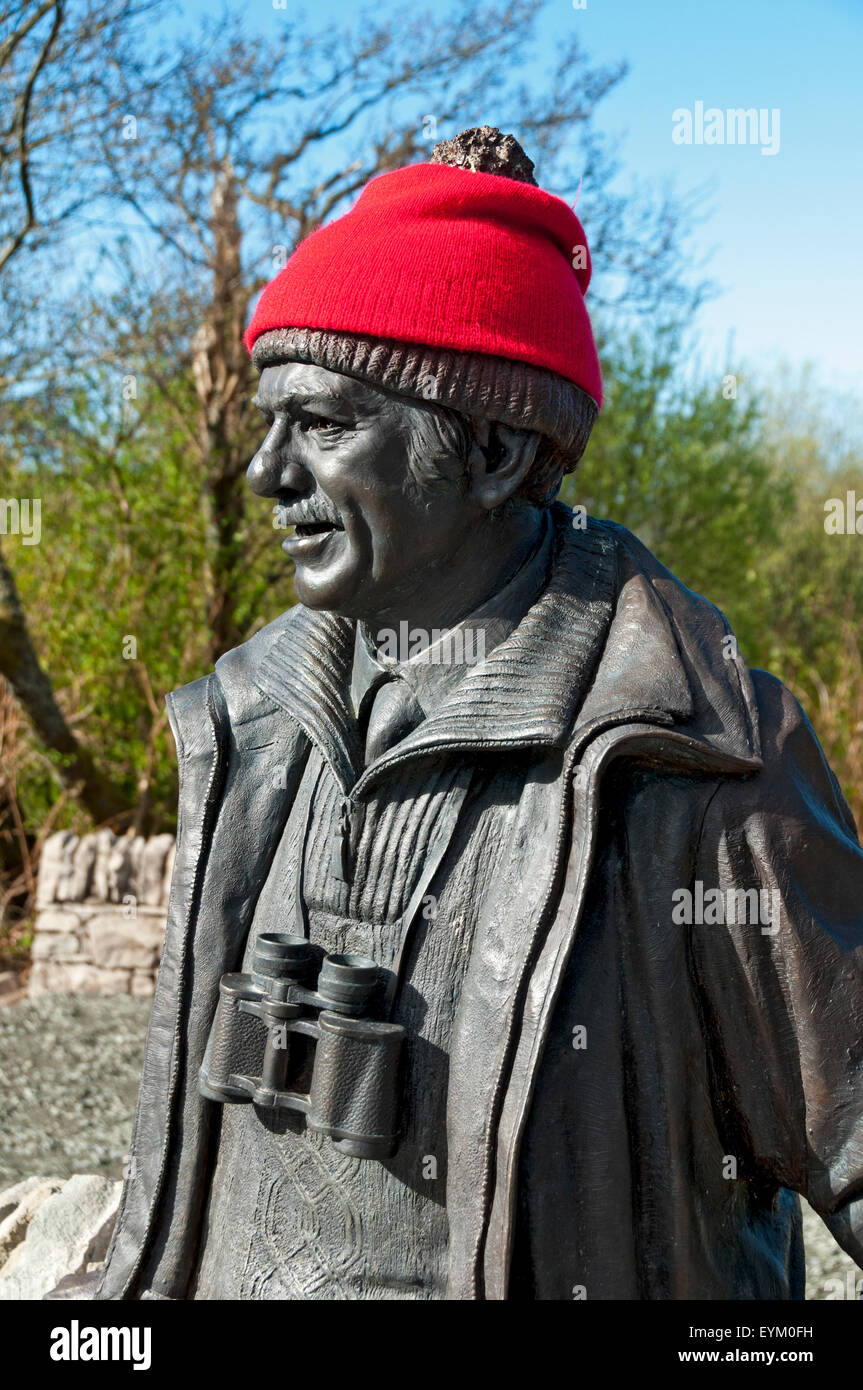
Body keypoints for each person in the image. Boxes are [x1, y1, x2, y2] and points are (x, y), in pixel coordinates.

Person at [95, 128, 863, 1301]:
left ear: (497, 451)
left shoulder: (698, 759)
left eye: (325, 424)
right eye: (269, 423)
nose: (266, 474)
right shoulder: (249, 731)